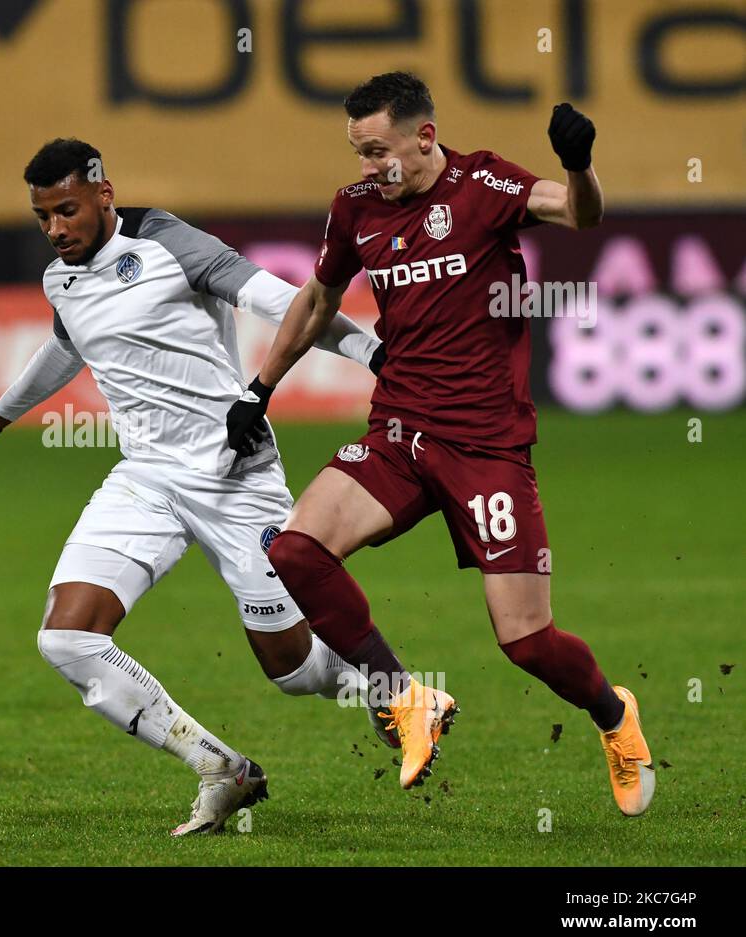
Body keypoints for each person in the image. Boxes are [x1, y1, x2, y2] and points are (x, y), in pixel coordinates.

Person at [0, 139, 393, 836]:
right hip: (145, 479)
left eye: (67, 211)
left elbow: (284, 301)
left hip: (235, 476)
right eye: (42, 217)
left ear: (104, 194)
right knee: (67, 639)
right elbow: (68, 347)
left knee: (289, 667)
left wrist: (370, 350)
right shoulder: (63, 280)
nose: (55, 230)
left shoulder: (168, 242)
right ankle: (221, 768)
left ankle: (378, 689)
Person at [226, 73, 655, 815]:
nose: (369, 169)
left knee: (526, 642)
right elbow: (316, 303)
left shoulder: (483, 183)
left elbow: (579, 215)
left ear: (425, 137)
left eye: (380, 152)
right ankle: (405, 698)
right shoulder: (355, 210)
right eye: (359, 153)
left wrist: (580, 165)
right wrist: (257, 389)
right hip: (397, 432)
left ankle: (614, 716)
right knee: (295, 551)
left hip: (487, 447)